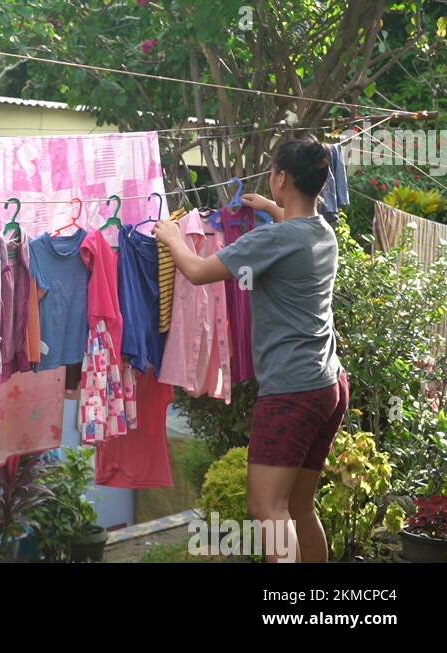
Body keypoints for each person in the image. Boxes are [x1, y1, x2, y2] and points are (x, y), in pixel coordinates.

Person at [153, 137, 348, 563]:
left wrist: (172, 237)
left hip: (292, 389)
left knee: (267, 508)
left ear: (280, 177)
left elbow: (199, 271)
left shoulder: (270, 242)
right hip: (328, 383)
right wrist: (271, 207)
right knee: (298, 506)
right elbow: (291, 222)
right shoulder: (321, 231)